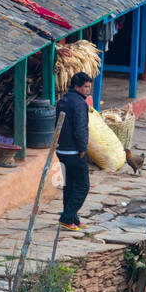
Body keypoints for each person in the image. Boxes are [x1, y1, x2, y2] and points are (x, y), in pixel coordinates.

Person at [55, 72, 93, 231]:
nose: (88, 90)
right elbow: (80, 128)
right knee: (83, 185)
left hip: (61, 150)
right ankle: (66, 217)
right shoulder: (79, 104)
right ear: (76, 87)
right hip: (73, 151)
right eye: (85, 87)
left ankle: (73, 218)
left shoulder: (62, 100)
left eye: (89, 87)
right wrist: (83, 148)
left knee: (69, 184)